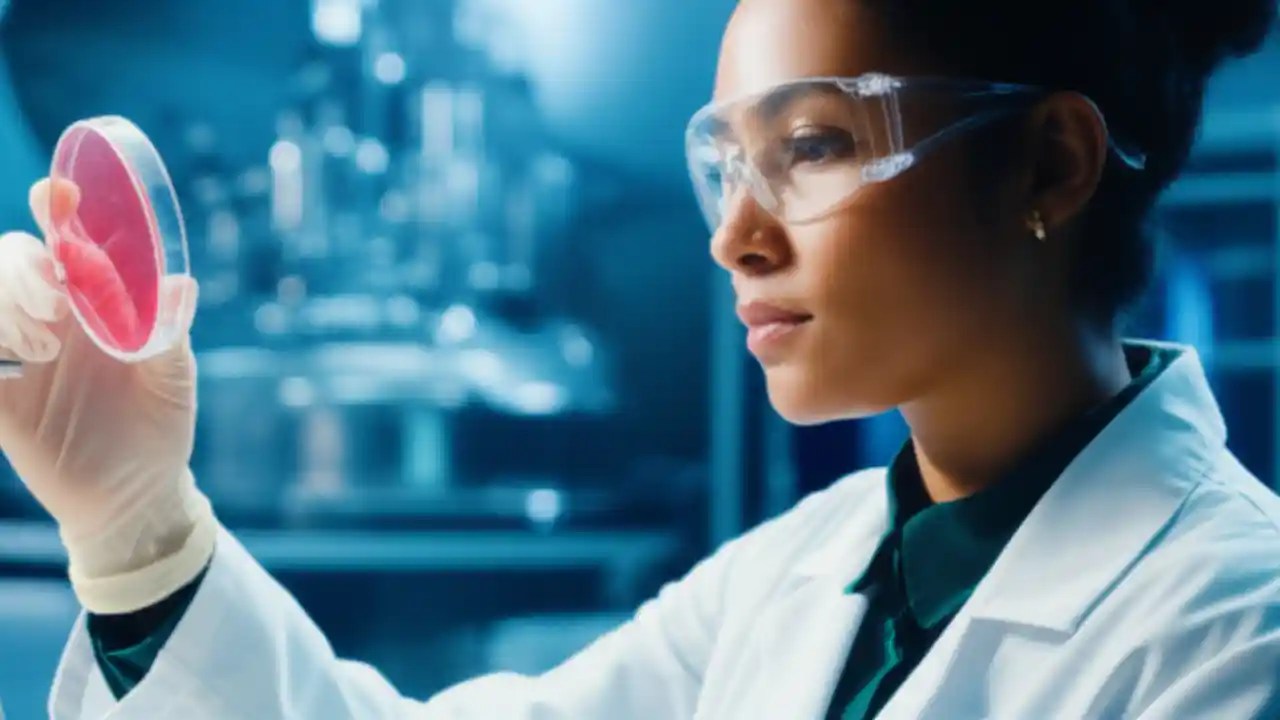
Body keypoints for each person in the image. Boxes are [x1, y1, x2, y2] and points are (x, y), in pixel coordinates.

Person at [2, 0, 1279, 716]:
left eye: (814, 145)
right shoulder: (798, 576)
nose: (734, 235)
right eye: (725, 162)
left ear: (1050, 164)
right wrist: (136, 527)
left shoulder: (1229, 633)